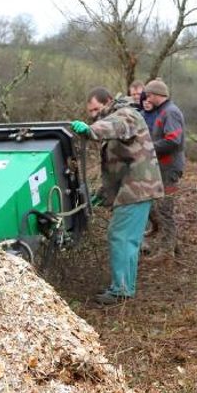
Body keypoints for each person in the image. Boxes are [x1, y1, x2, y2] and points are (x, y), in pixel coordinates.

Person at [71, 87, 164, 305]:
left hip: (138, 187)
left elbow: (115, 126)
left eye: (96, 109)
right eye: (90, 111)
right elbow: (117, 165)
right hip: (132, 186)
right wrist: (103, 194)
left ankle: (121, 290)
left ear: (109, 101)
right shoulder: (115, 116)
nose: (93, 114)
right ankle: (123, 287)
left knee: (120, 236)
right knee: (126, 237)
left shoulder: (125, 114)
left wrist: (90, 130)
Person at [140, 79, 185, 259]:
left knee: (165, 210)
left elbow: (173, 140)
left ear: (158, 95)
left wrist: (148, 146)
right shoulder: (162, 111)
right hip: (160, 166)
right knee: (156, 208)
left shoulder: (170, 112)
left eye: (149, 95)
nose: (147, 98)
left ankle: (166, 252)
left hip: (169, 168)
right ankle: (174, 247)